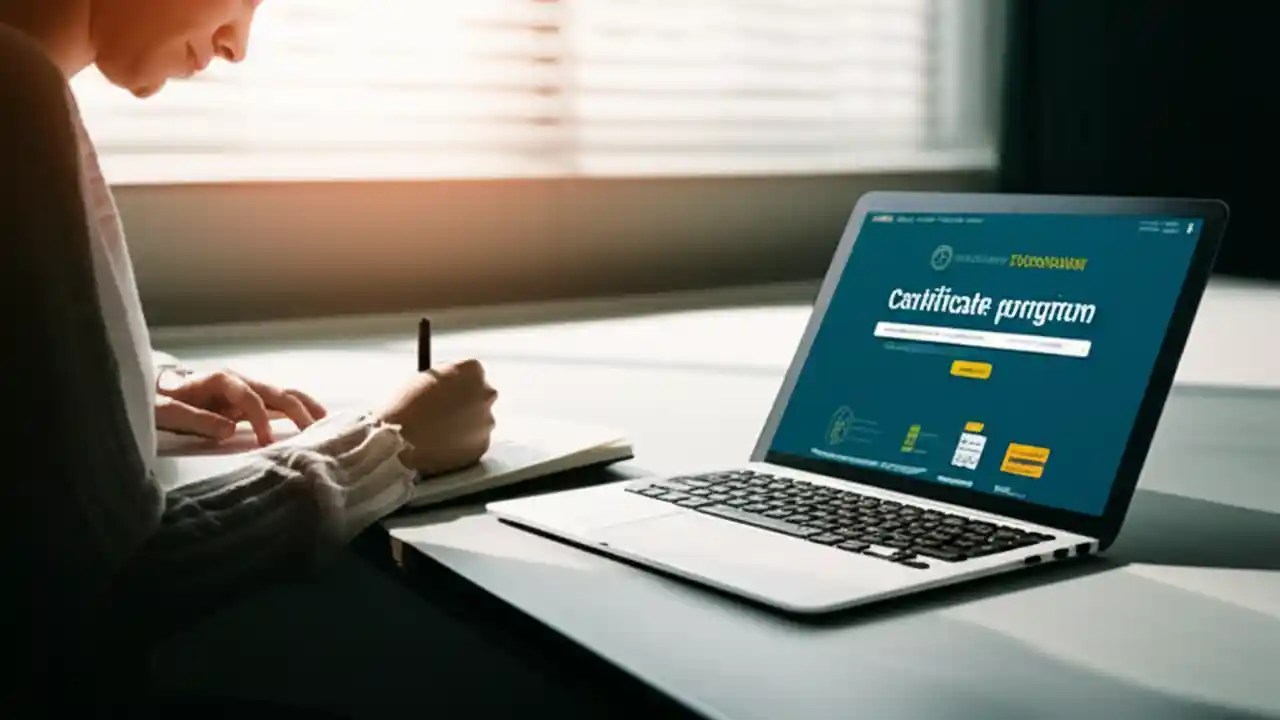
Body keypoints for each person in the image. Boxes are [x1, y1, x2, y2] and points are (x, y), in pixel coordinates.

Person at [0, 0, 498, 712]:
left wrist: (133, 382)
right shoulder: (13, 97)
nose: (238, 45)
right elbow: (108, 585)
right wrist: (392, 444)